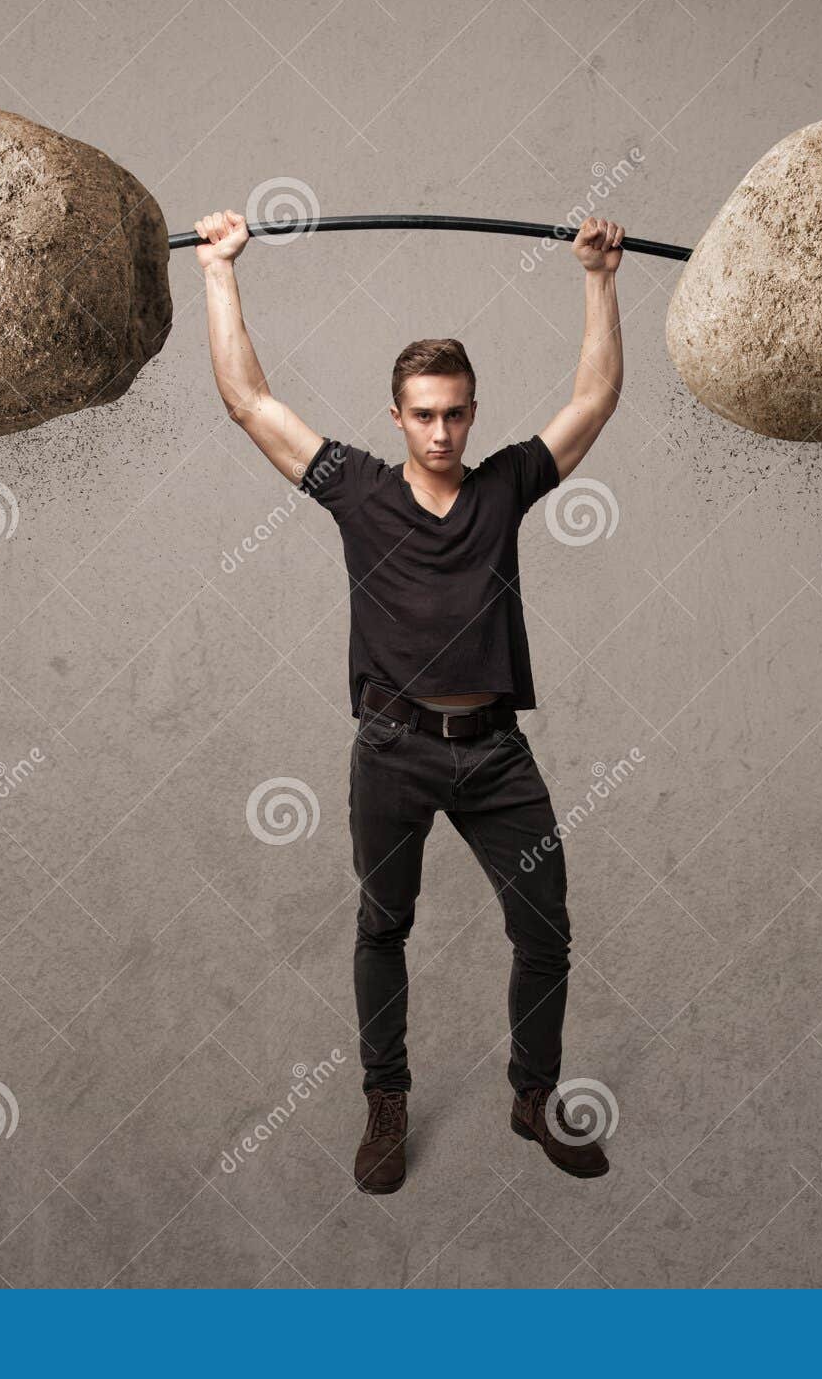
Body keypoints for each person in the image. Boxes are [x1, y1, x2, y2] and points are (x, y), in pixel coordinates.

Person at [196, 207, 623, 1193]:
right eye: (423, 414)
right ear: (397, 416)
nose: (440, 431)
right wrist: (220, 272)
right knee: (384, 926)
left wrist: (598, 277)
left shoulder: (505, 484)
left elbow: (594, 398)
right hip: (391, 751)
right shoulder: (354, 486)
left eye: (456, 413)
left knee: (546, 928)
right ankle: (385, 1103)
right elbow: (248, 401)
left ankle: (533, 1096)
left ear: (473, 413)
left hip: (494, 754)